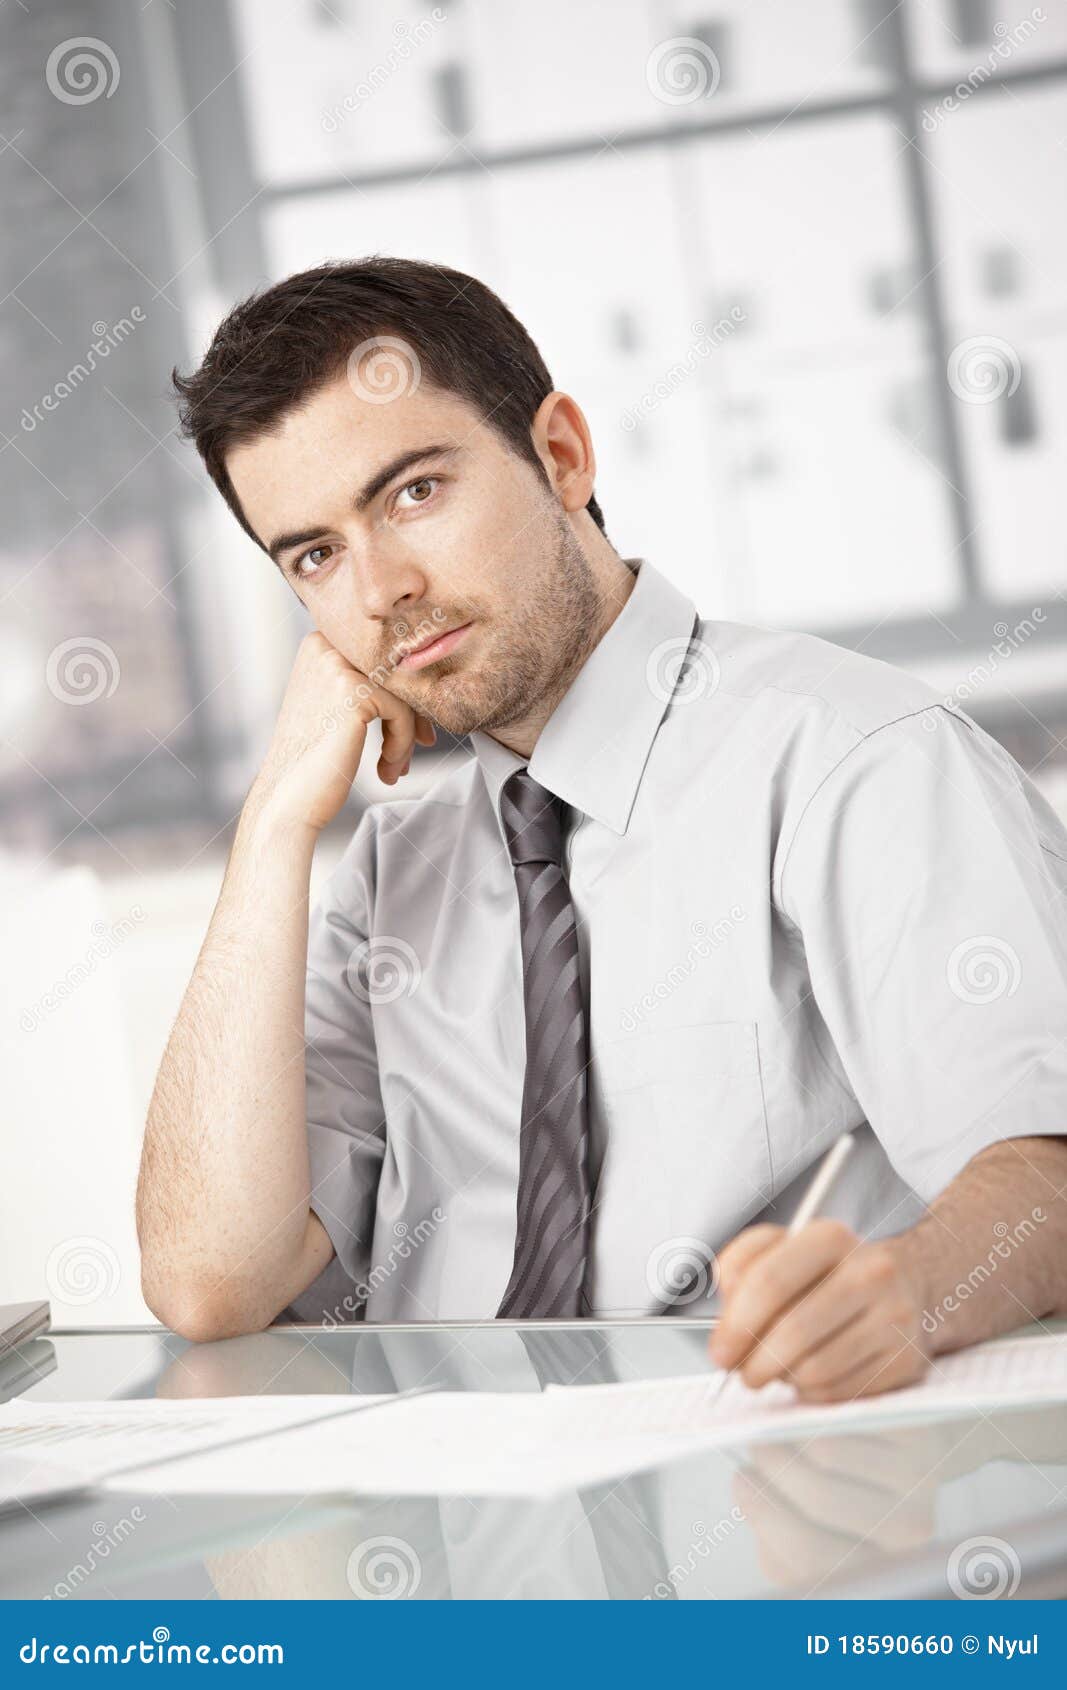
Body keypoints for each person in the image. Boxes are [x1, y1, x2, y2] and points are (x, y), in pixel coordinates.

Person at [137, 257, 1067, 1402]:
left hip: (772, 1505)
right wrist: (272, 825)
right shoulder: (391, 876)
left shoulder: (852, 755)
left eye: (413, 492)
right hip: (459, 1534)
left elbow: (1040, 1165)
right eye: (315, 555)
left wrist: (903, 1290)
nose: (379, 590)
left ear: (561, 455)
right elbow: (208, 1283)